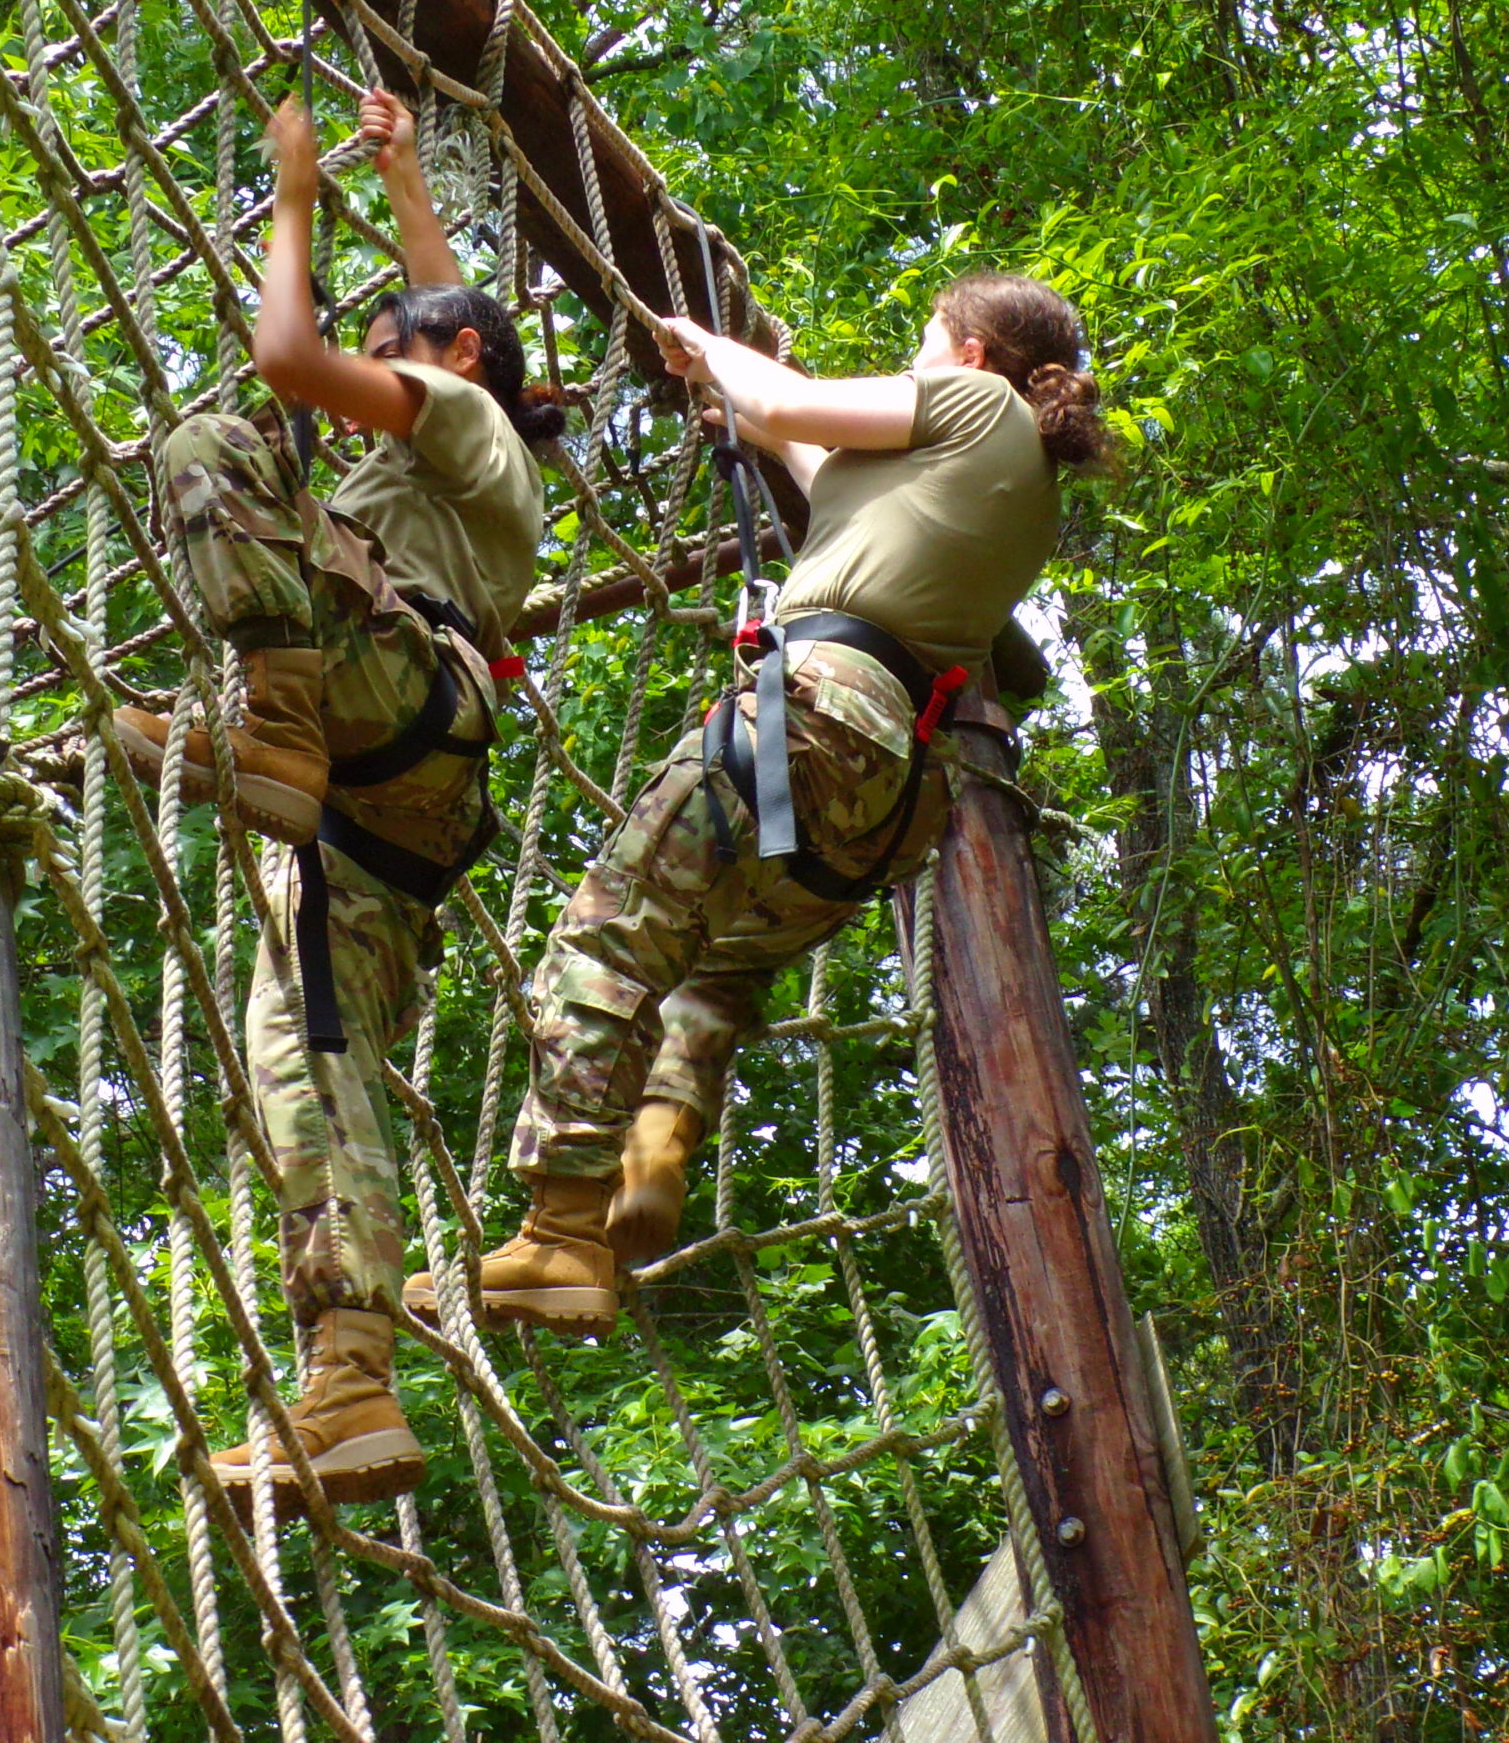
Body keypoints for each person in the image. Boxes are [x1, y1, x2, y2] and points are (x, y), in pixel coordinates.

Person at [407, 272, 1109, 1336]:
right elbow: (821, 465)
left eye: (923, 345)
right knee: (711, 975)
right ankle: (655, 1145)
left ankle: (557, 1233)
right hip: (884, 802)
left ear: (968, 355)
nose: (915, 363)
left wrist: (707, 348)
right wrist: (749, 412)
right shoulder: (1007, 488)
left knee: (609, 940)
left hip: (817, 713)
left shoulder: (977, 402)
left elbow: (786, 404)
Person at [114, 87, 559, 1507]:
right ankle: (351, 1380)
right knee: (308, 1074)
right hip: (386, 825)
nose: (378, 376)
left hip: (403, 700)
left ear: (459, 362)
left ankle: (276, 735)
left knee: (213, 445)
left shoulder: (467, 428)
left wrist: (297, 192)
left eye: (400, 354)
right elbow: (438, 312)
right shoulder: (426, 450)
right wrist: (410, 173)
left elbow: (287, 352)